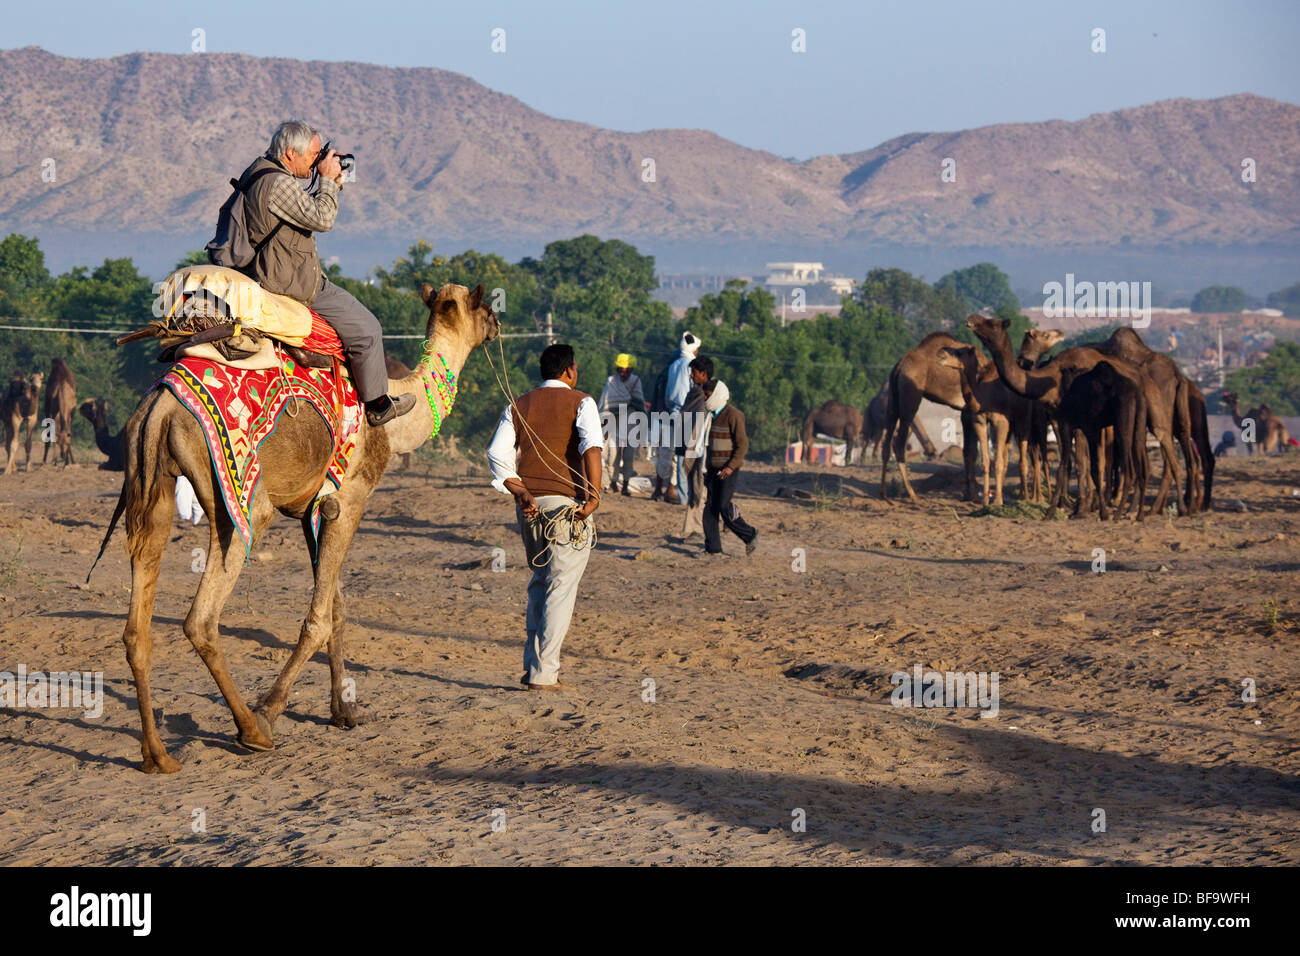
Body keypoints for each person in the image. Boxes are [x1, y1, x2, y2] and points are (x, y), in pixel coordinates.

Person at [233, 119, 414, 427]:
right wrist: (328, 181)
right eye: (313, 154)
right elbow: (322, 218)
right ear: (291, 152)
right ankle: (378, 403)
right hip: (291, 283)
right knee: (367, 327)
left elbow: (304, 211)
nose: (317, 160)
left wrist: (330, 181)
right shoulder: (277, 183)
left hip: (276, 273)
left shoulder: (261, 172)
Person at [487, 344, 603, 690]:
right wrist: (594, 496)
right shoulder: (582, 402)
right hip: (566, 508)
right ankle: (544, 673)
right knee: (560, 589)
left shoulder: (519, 404)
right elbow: (591, 447)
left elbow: (496, 453)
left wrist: (521, 491)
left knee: (540, 584)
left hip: (529, 509)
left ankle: (532, 666)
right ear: (570, 371)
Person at [702, 379, 758, 556]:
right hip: (712, 469)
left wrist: (731, 467)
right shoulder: (709, 416)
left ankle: (750, 535)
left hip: (728, 470)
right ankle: (713, 549)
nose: (705, 397)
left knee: (724, 506)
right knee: (710, 509)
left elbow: (742, 445)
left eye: (708, 394)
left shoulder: (733, 415)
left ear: (716, 394)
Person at [650, 331, 701, 504]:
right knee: (678, 455)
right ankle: (673, 491)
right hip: (682, 415)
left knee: (665, 452)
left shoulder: (673, 365)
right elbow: (682, 395)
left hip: (668, 413)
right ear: (694, 350)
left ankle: (659, 489)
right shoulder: (689, 366)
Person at [598, 353, 646, 495]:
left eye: (626, 370)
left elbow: (640, 403)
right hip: (615, 423)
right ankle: (613, 482)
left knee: (629, 455)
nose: (622, 372)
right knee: (613, 454)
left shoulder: (636, 381)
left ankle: (625, 484)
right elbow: (605, 403)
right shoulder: (611, 381)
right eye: (620, 369)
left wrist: (630, 402)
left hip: (631, 423)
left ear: (631, 369)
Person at [680, 374, 715, 540]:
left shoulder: (707, 402)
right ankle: (692, 528)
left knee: (703, 492)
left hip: (708, 455)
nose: (691, 375)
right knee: (696, 490)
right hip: (697, 451)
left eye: (695, 371)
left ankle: (699, 530)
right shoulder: (694, 395)